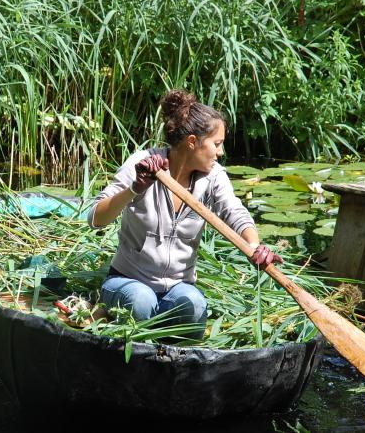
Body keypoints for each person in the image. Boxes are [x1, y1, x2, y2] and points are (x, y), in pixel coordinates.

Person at [87, 89, 282, 339]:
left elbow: (234, 212)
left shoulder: (213, 176)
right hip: (128, 281)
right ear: (192, 142)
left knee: (195, 306)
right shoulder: (144, 163)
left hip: (178, 288)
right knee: (141, 301)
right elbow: (95, 218)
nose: (220, 153)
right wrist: (135, 188)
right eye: (217, 144)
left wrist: (254, 245)